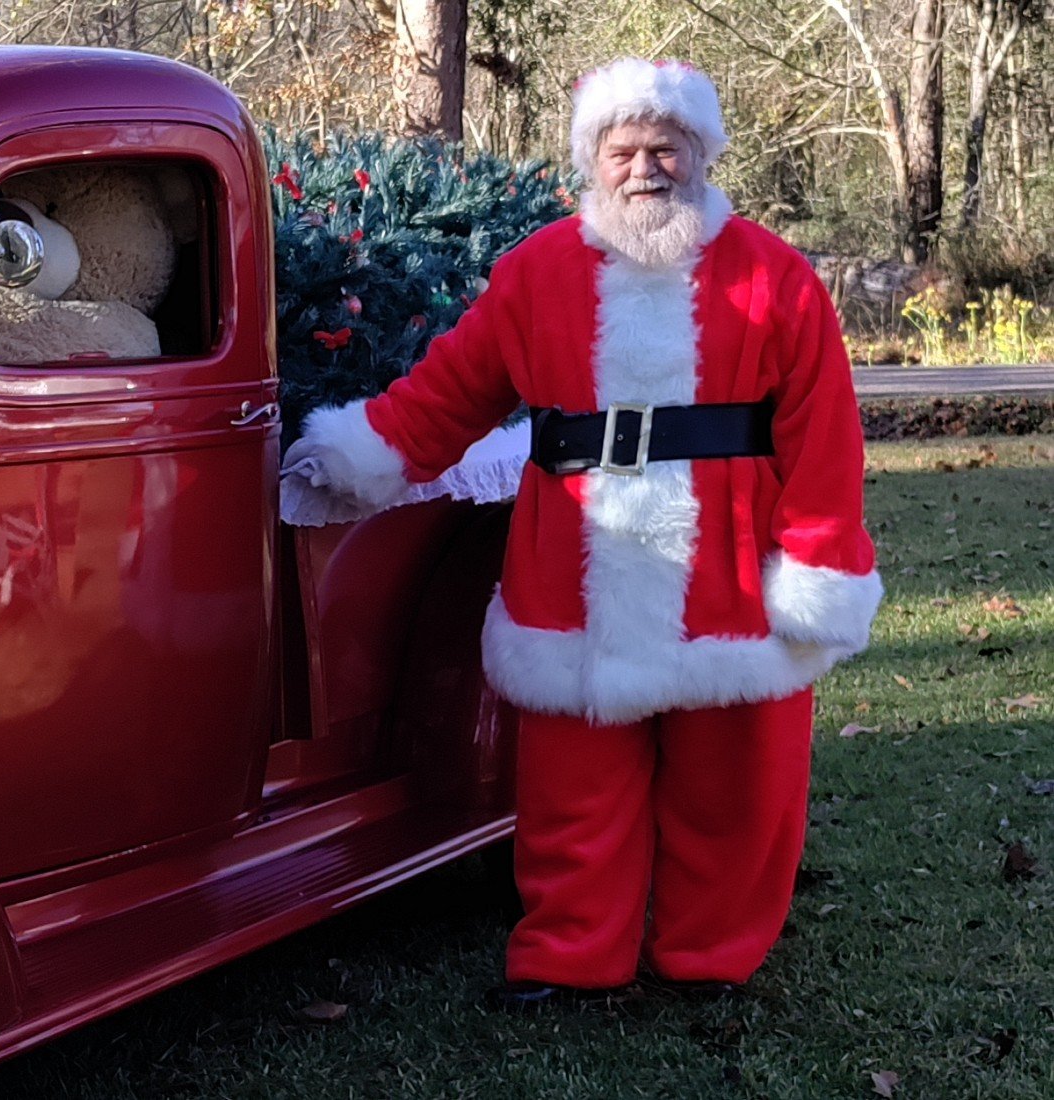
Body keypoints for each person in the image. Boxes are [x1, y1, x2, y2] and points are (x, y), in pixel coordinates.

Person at [284, 57, 882, 1008]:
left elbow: (824, 432)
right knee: (573, 787)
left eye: (667, 151)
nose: (646, 168)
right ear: (593, 162)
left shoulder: (776, 276)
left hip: (728, 565)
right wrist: (363, 454)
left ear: (702, 157)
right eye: (625, 150)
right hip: (574, 564)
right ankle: (571, 954)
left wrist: (817, 565)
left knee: (736, 785)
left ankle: (709, 954)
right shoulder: (535, 274)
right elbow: (453, 390)